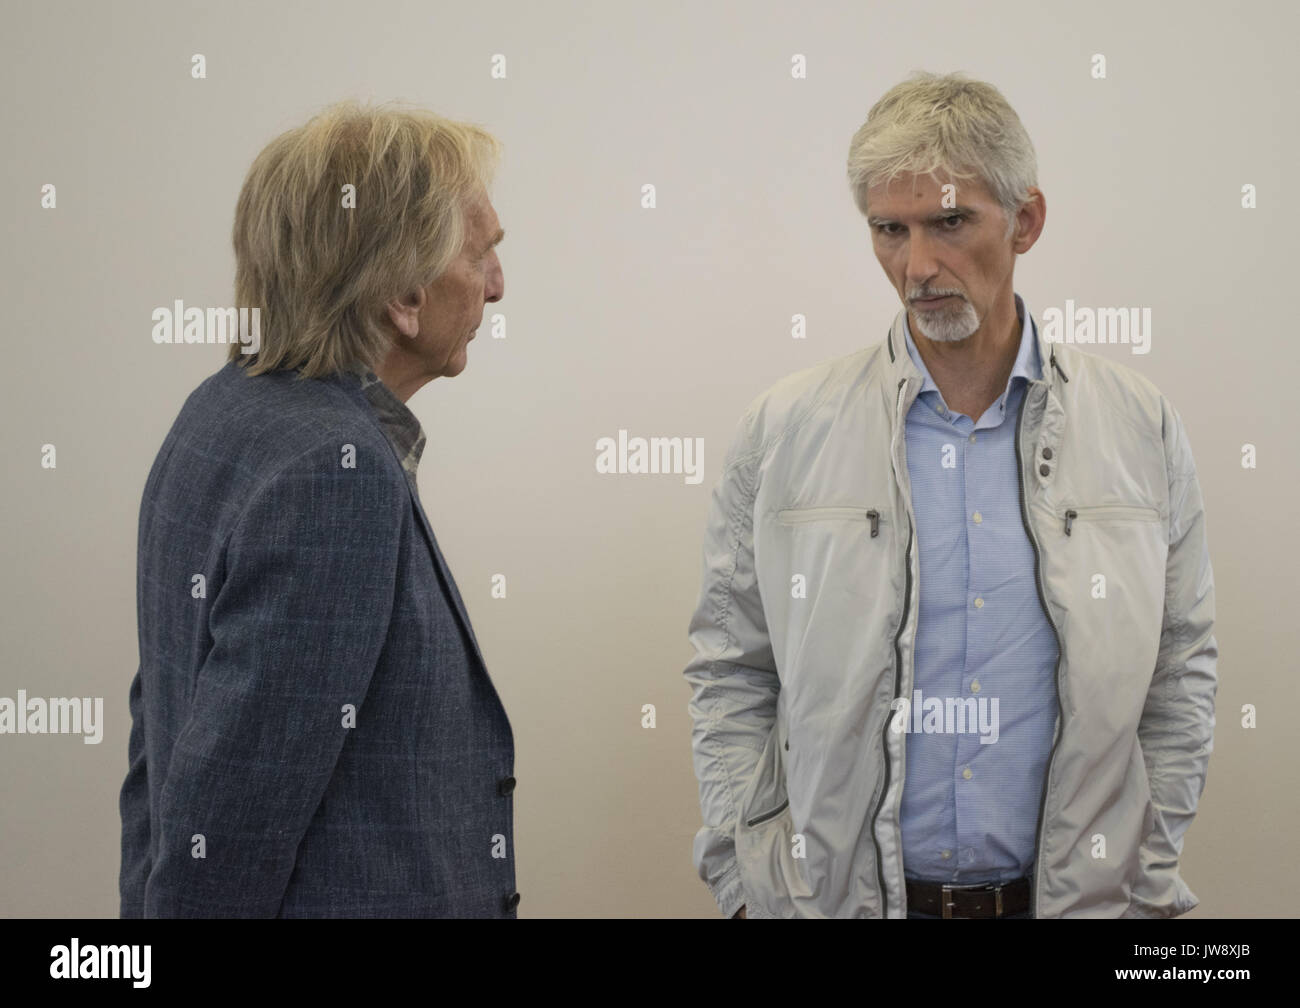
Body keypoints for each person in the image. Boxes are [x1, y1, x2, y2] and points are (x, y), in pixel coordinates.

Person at [684, 72, 1217, 919]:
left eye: (950, 223)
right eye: (889, 230)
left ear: (1027, 221)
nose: (917, 265)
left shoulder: (1137, 426)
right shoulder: (786, 429)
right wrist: (750, 880)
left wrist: (1143, 872)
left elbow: (1180, 667)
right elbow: (731, 669)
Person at [119, 101, 517, 917]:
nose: (498, 287)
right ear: (406, 295)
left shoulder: (219, 412)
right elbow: (224, 834)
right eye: (483, 256)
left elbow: (159, 757)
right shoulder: (333, 475)